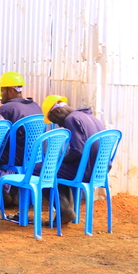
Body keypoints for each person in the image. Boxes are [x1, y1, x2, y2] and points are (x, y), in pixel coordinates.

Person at [42, 95, 107, 223]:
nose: (58, 125)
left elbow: (77, 151)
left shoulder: (71, 119)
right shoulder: (89, 117)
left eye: (55, 121)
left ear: (59, 111)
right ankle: (67, 210)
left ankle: (65, 210)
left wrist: (60, 159)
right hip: (99, 171)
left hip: (85, 170)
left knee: (42, 170)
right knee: (58, 169)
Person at [0, 71, 42, 168]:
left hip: (15, 158)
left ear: (10, 91)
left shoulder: (7, 108)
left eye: (1, 91)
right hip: (35, 157)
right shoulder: (35, 106)